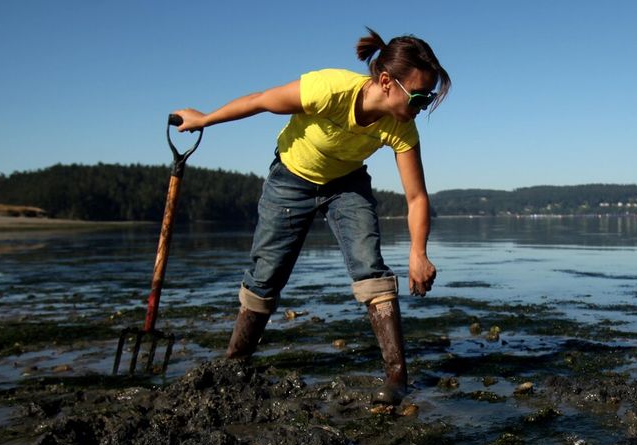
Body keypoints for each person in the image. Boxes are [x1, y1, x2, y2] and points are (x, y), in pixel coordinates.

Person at [172, 28, 450, 405]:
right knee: (267, 273)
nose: (423, 104)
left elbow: (416, 197)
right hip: (291, 178)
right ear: (386, 82)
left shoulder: (402, 126)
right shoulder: (329, 89)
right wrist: (204, 119)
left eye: (428, 97)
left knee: (371, 266)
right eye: (419, 96)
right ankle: (234, 364)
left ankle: (397, 377)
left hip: (346, 184)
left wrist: (418, 252)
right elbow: (260, 101)